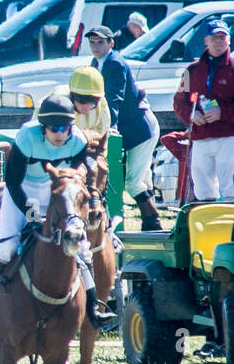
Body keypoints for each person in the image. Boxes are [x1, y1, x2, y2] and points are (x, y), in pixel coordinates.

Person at [0, 94, 108, 329]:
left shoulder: (77, 142)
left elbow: (75, 178)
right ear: (43, 127)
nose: (59, 134)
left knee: (83, 248)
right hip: (22, 190)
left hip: (54, 190)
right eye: (54, 128)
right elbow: (13, 182)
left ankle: (94, 308)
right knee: (8, 245)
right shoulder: (26, 138)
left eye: (64, 128)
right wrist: (29, 212)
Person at [84, 25, 162, 229]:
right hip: (136, 128)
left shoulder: (114, 63)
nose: (95, 46)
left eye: (100, 42)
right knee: (140, 181)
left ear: (111, 43)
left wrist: (111, 126)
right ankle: (151, 224)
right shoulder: (96, 62)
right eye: (92, 42)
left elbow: (114, 98)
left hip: (140, 130)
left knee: (133, 182)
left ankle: (153, 221)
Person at [173, 18, 234, 202]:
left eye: (222, 38)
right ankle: (207, 225)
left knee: (230, 187)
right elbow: (179, 102)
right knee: (203, 187)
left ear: (229, 41)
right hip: (200, 137)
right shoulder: (191, 71)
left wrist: (221, 112)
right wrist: (192, 115)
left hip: (228, 137)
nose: (218, 42)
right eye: (214, 38)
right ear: (206, 40)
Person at [68, 65, 111, 138]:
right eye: (82, 100)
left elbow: (101, 137)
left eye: (94, 100)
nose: (87, 106)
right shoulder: (57, 104)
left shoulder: (101, 104)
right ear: (71, 96)